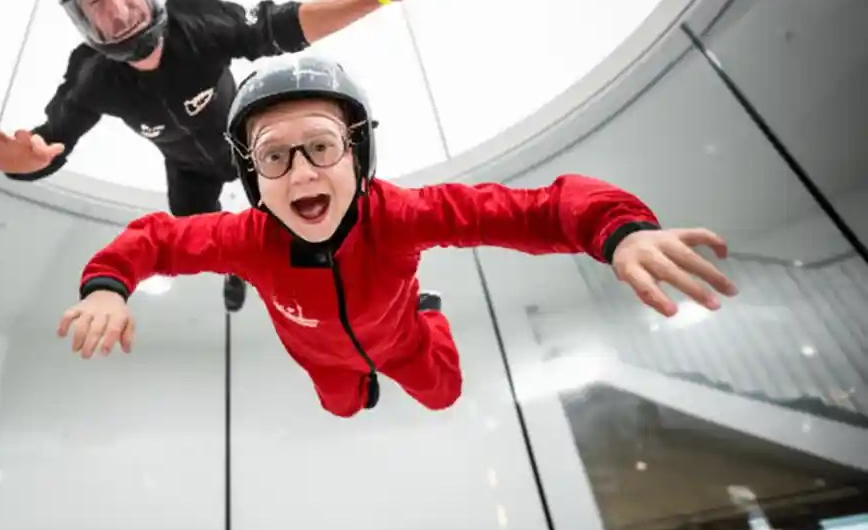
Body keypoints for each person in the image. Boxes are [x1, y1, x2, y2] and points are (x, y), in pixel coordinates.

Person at [54, 56, 740, 418]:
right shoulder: (246, 237)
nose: (300, 174)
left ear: (358, 154)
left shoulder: (404, 214)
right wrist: (109, 286)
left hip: (403, 336)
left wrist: (617, 233)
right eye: (272, 157)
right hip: (322, 358)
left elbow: (534, 209)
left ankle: (429, 311)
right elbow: (155, 239)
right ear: (253, 175)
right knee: (345, 407)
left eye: (321, 147)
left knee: (443, 394)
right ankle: (356, 383)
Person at [0, 0, 462, 312]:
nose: (116, 12)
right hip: (188, 168)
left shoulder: (195, 20)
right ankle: (237, 274)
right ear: (80, 19)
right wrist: (25, 164)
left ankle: (378, 285)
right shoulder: (93, 75)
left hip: (245, 141)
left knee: (311, 208)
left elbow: (279, 26)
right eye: (95, 3)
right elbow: (52, 141)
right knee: (201, 236)